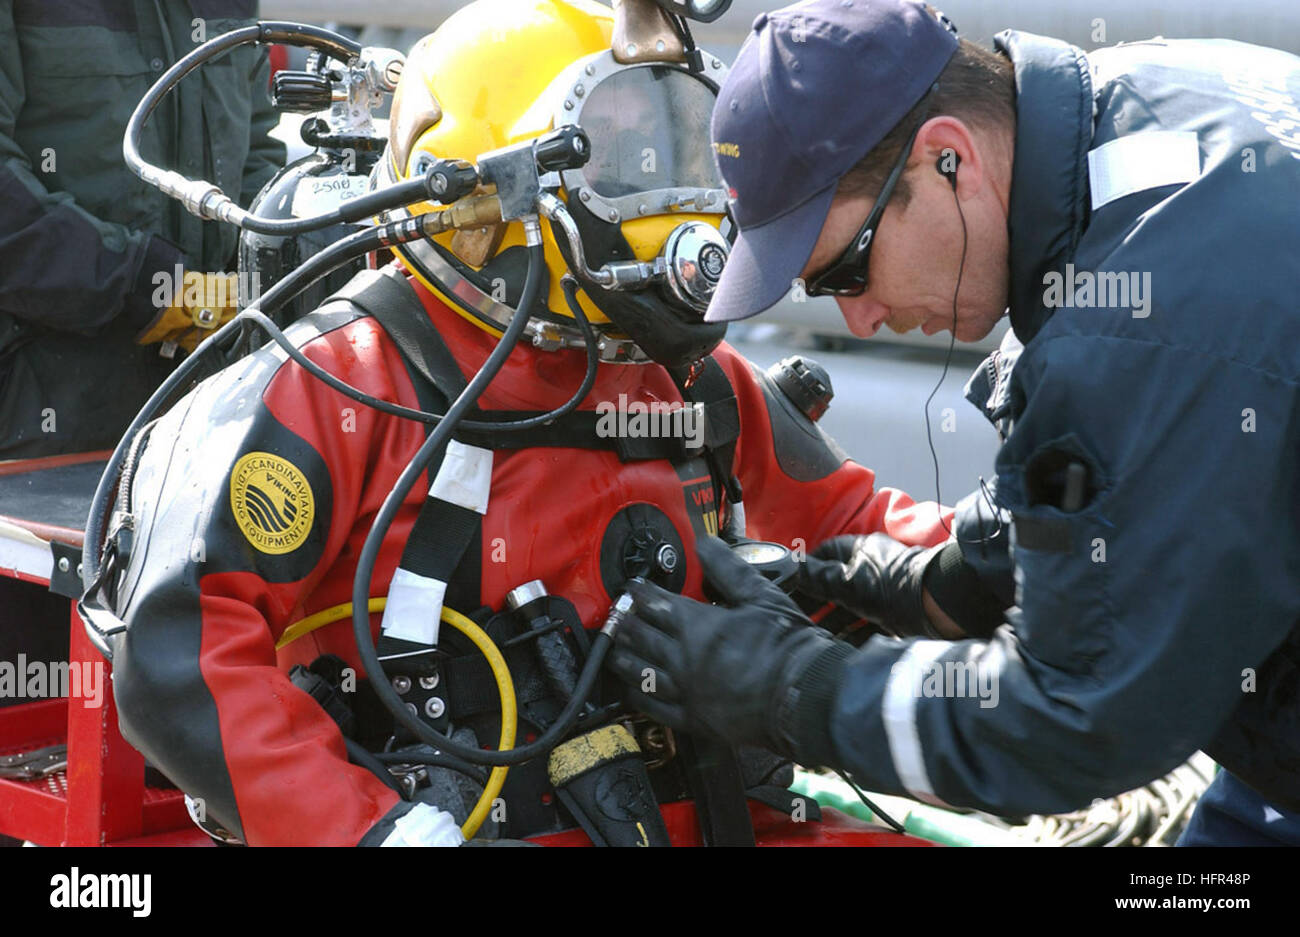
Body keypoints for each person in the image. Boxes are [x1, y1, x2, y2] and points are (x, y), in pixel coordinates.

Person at [91, 0, 950, 846]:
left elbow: (861, 530)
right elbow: (181, 651)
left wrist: (1012, 560)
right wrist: (378, 834)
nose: (671, 202)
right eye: (619, 156)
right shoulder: (333, 383)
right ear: (481, 188)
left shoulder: (692, 379)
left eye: (678, 143)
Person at [609, 0, 1300, 845]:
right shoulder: (1157, 99)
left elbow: (1071, 728)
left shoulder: (1149, 321)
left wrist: (793, 688)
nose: (856, 322)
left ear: (950, 158)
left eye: (846, 271)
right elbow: (1166, 486)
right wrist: (907, 579)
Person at [0, 0, 284, 457]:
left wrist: (259, 274)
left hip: (209, 408)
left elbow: (256, 149)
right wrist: (145, 286)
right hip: (38, 411)